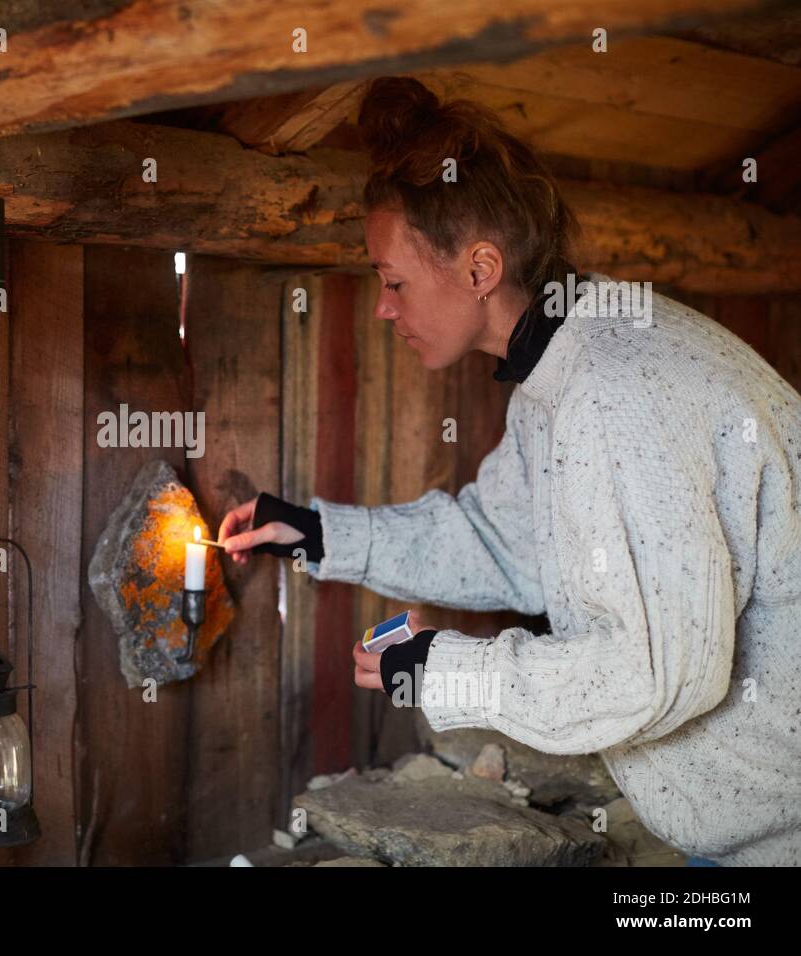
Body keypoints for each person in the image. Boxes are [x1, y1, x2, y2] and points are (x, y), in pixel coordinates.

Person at [219, 77, 801, 867]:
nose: (384, 308)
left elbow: (660, 672)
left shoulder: (614, 389)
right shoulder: (564, 367)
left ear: (479, 268)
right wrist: (321, 534)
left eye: (393, 281)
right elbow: (503, 541)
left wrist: (446, 670)